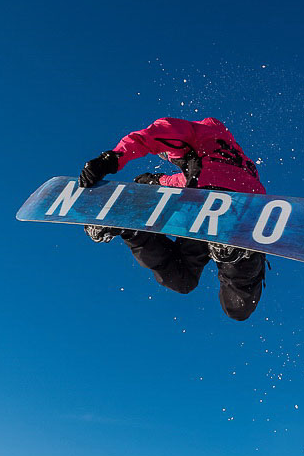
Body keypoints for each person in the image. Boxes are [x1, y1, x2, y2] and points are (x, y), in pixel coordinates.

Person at [78, 117, 268, 321]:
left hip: (206, 204)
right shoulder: (236, 156)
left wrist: (113, 157)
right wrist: (157, 181)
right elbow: (206, 175)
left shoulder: (196, 131)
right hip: (244, 209)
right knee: (237, 308)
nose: (167, 156)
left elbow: (154, 134)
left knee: (182, 278)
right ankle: (237, 253)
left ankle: (133, 229)